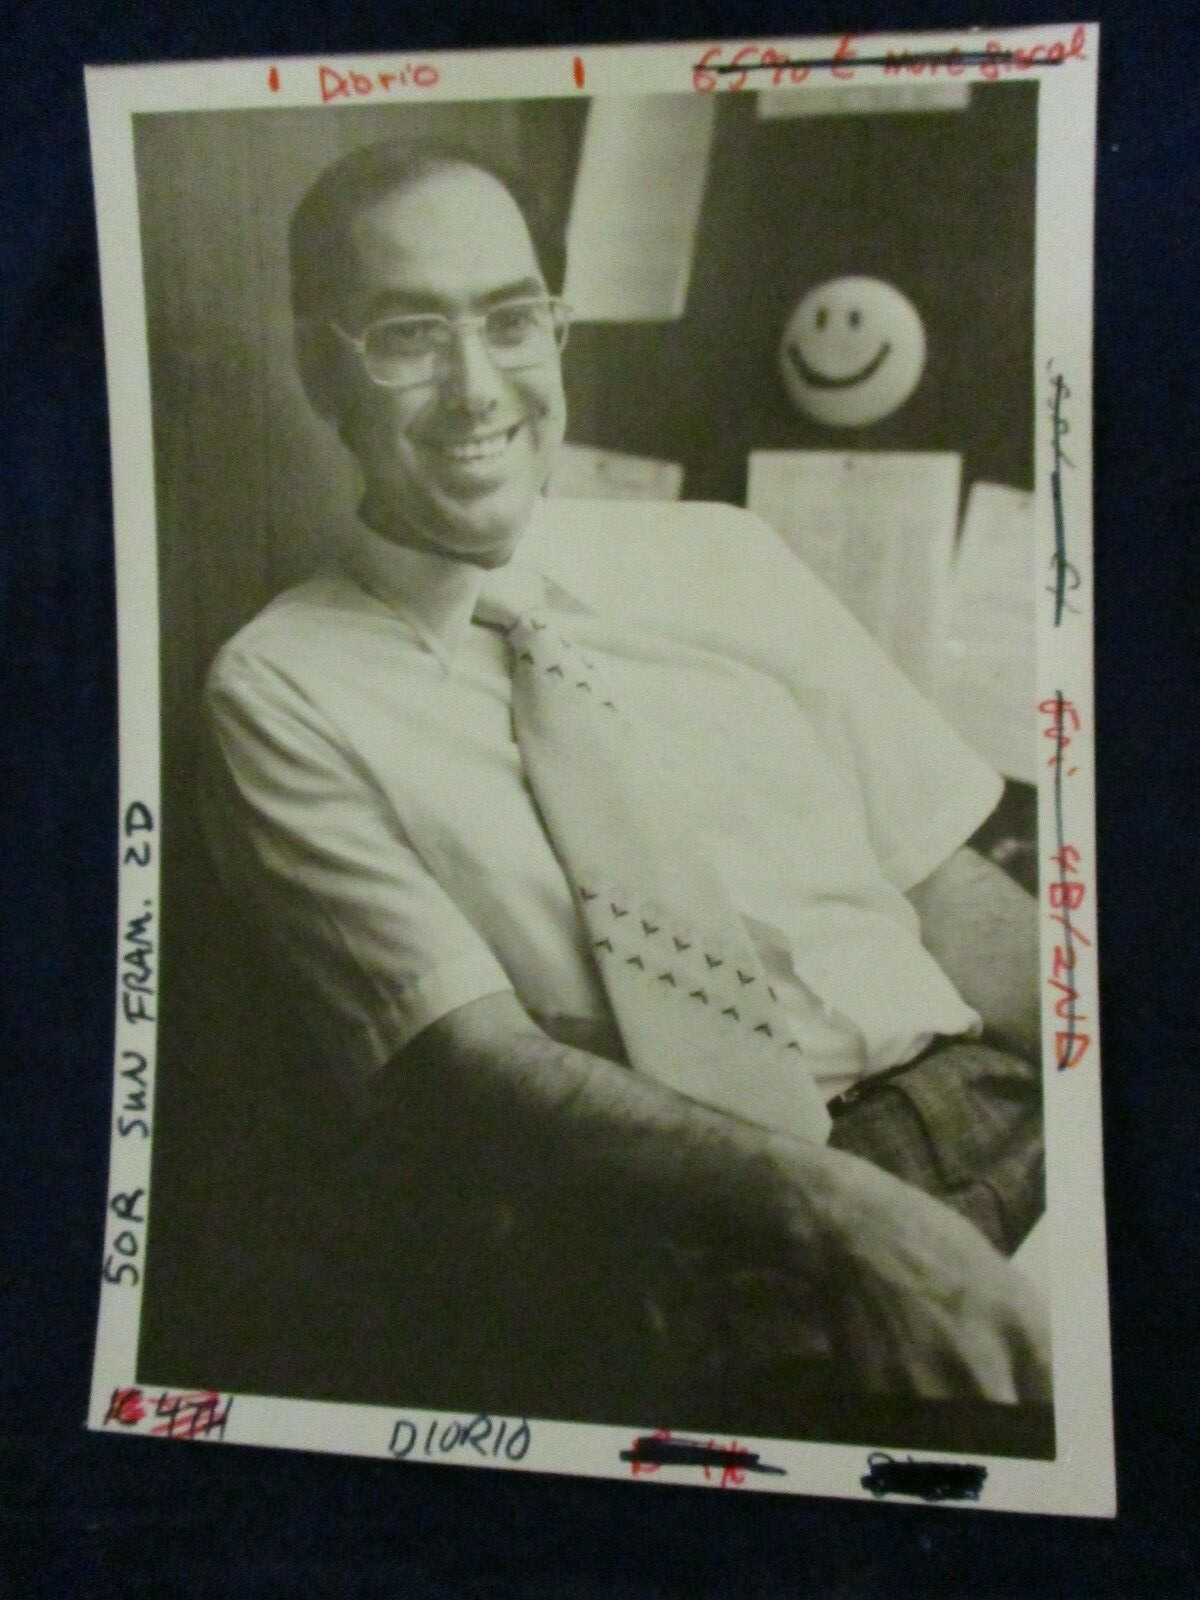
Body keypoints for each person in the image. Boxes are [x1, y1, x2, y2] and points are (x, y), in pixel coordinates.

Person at [200, 139, 1048, 1419]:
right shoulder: (280, 690)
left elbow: (947, 891)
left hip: (1001, 1107)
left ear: (557, 331)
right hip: (734, 1245)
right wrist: (857, 1221)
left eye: (510, 320)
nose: (477, 388)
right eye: (411, 334)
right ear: (324, 368)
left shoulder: (723, 553)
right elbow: (472, 1066)